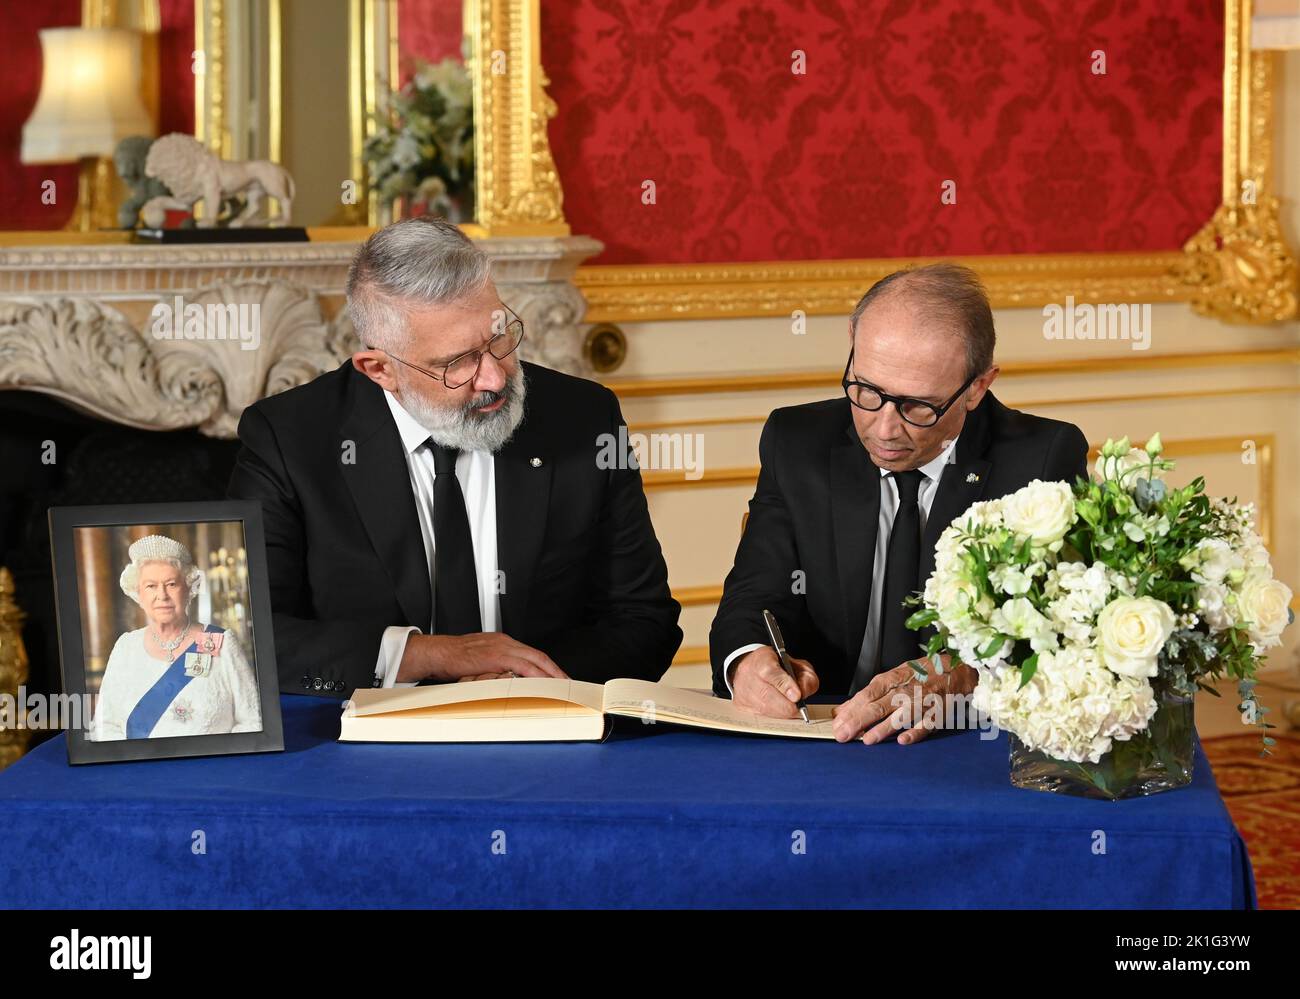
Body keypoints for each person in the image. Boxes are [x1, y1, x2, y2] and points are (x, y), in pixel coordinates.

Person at [228, 217, 681, 696]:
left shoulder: (584, 418)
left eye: (500, 339)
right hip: (362, 750)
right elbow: (249, 633)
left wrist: (516, 681)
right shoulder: (290, 439)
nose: (495, 378)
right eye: (458, 362)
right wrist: (434, 656)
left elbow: (643, 618)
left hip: (542, 733)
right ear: (380, 369)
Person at [709, 263, 1089, 745]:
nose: (884, 429)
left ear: (977, 387)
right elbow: (755, 597)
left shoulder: (1041, 459)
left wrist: (969, 675)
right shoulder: (797, 442)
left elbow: (1065, 636)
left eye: (918, 407)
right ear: (852, 342)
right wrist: (747, 661)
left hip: (964, 743)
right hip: (822, 735)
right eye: (866, 390)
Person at [90, 534, 262, 740]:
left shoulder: (222, 642)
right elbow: (104, 724)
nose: (162, 595)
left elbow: (252, 721)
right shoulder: (125, 647)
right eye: (151, 586)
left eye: (171, 584)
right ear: (139, 594)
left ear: (189, 588)